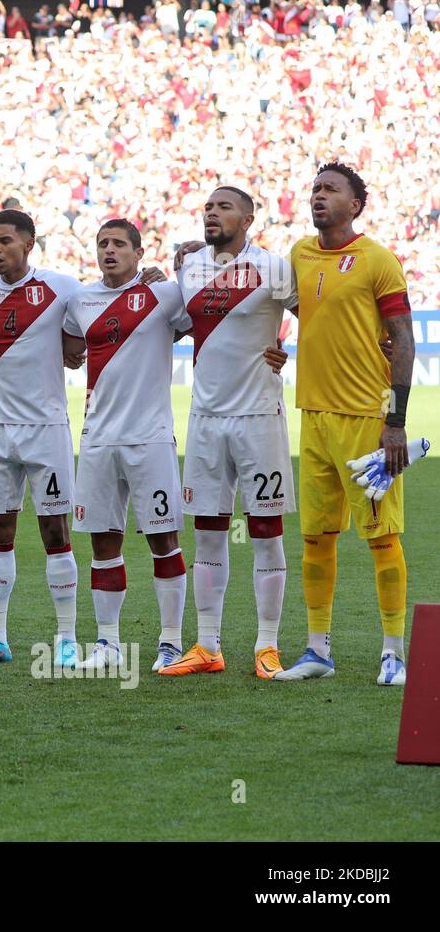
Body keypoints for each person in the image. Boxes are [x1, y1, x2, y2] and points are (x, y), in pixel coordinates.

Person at [276, 162, 415, 685]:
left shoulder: (378, 259)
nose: (318, 196)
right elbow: (284, 302)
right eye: (315, 189)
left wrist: (395, 422)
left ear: (355, 205)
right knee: (316, 537)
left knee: (382, 537)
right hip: (312, 418)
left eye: (330, 190)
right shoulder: (299, 254)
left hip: (366, 420)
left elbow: (401, 338)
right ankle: (317, 651)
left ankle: (394, 653)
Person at [162, 187, 295, 679]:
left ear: (249, 217)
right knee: (208, 533)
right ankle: (208, 645)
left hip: (259, 418)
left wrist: (292, 353)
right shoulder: (189, 267)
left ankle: (267, 645)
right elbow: (170, 323)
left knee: (264, 531)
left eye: (223, 207)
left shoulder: (275, 268)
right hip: (206, 420)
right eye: (207, 208)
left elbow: (319, 318)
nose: (211, 214)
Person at [0, 210, 84, 665]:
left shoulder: (62, 288)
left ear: (29, 245)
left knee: (55, 530)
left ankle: (66, 638)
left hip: (45, 428)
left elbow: (90, 327)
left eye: (5, 241)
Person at [63, 219, 192, 673]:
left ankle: (171, 642)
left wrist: (186, 263)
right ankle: (108, 645)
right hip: (98, 440)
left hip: (150, 438)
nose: (109, 250)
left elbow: (211, 326)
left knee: (164, 540)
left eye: (119, 244)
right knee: (103, 543)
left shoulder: (164, 295)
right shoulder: (80, 300)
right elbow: (63, 344)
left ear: (140, 253)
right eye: (102, 244)